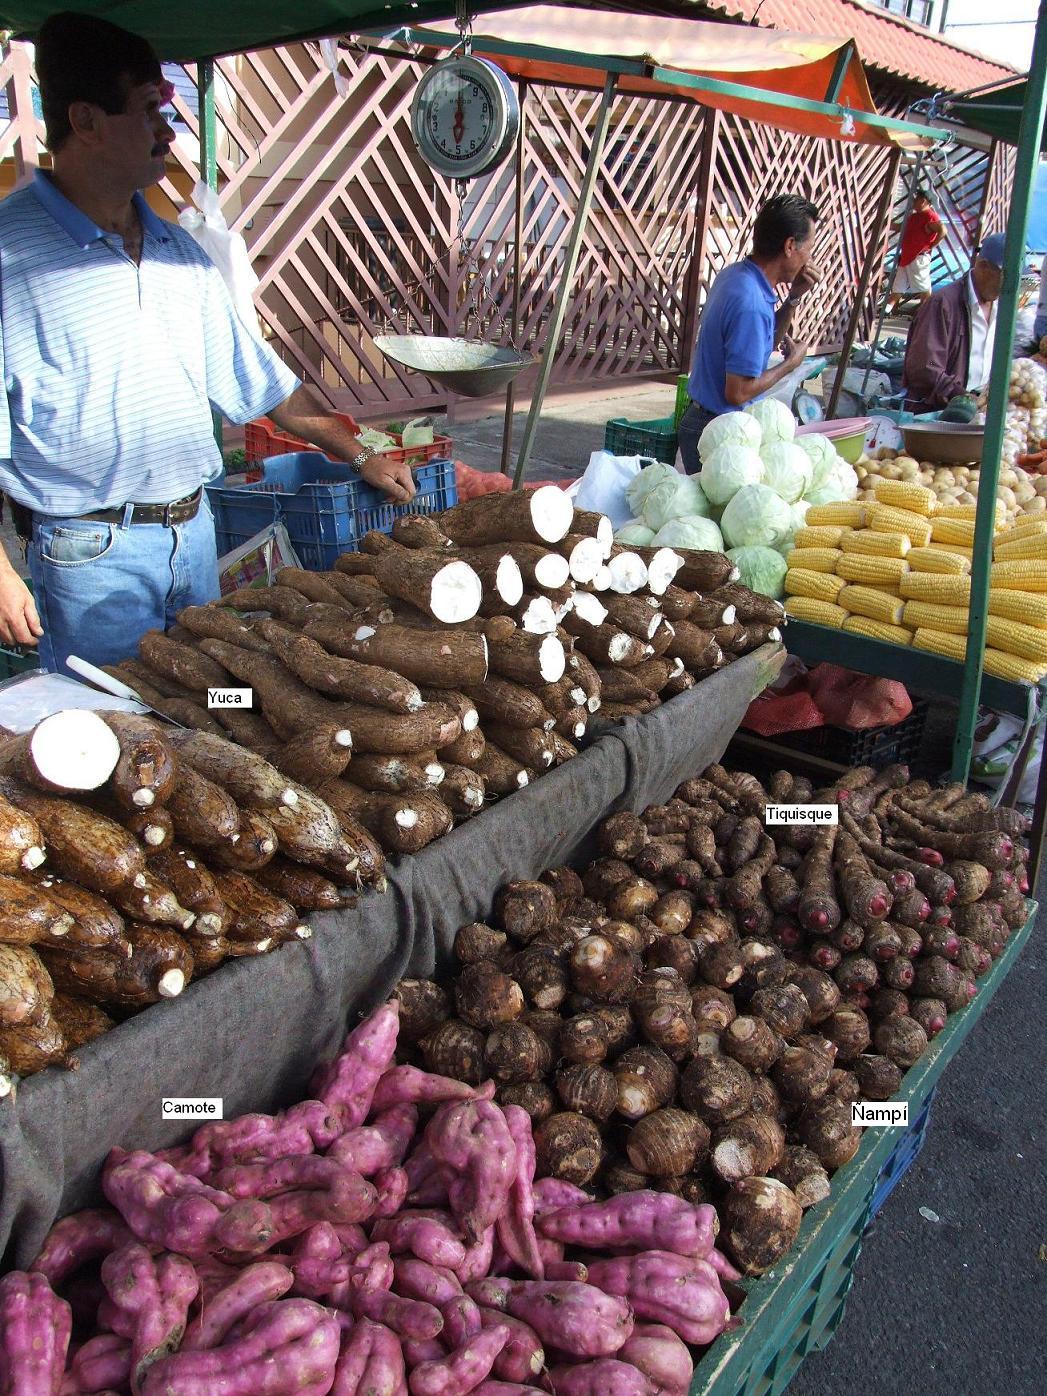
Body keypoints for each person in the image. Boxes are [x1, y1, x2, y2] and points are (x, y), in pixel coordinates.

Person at [0, 11, 416, 676]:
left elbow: (265, 383)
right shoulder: (9, 255)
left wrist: (361, 450)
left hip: (195, 536)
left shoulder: (179, 251)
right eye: (149, 109)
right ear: (85, 121)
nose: (170, 129)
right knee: (115, 722)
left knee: (213, 707)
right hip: (90, 555)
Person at [677, 194, 822, 475]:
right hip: (716, 431)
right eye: (810, 247)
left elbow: (761, 347)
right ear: (790, 246)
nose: (810, 257)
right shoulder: (751, 302)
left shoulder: (737, 276)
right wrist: (790, 366)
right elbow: (738, 392)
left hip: (710, 423)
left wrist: (793, 299)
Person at [902, 233, 1006, 414]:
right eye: (1004, 275)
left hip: (980, 406)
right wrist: (963, 398)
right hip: (942, 413)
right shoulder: (943, 304)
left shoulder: (1002, 307)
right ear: (983, 267)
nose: (1009, 284)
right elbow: (924, 369)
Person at [888, 188, 943, 311]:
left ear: (923, 201)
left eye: (916, 199)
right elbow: (902, 228)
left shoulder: (930, 216)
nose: (913, 201)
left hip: (918, 257)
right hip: (907, 257)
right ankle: (886, 309)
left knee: (923, 288)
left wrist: (932, 245)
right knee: (898, 288)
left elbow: (942, 230)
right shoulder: (914, 217)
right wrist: (887, 224)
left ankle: (926, 313)